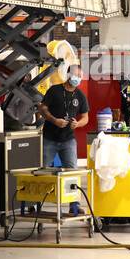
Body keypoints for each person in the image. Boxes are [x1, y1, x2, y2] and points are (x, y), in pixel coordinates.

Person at [38, 66, 89, 216]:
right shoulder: (54, 91)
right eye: (76, 75)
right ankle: (37, 203)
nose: (78, 78)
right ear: (68, 75)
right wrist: (54, 120)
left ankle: (74, 205)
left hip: (68, 140)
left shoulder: (80, 95)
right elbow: (42, 108)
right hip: (50, 138)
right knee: (43, 171)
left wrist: (77, 124)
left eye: (80, 76)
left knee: (72, 172)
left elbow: (86, 117)